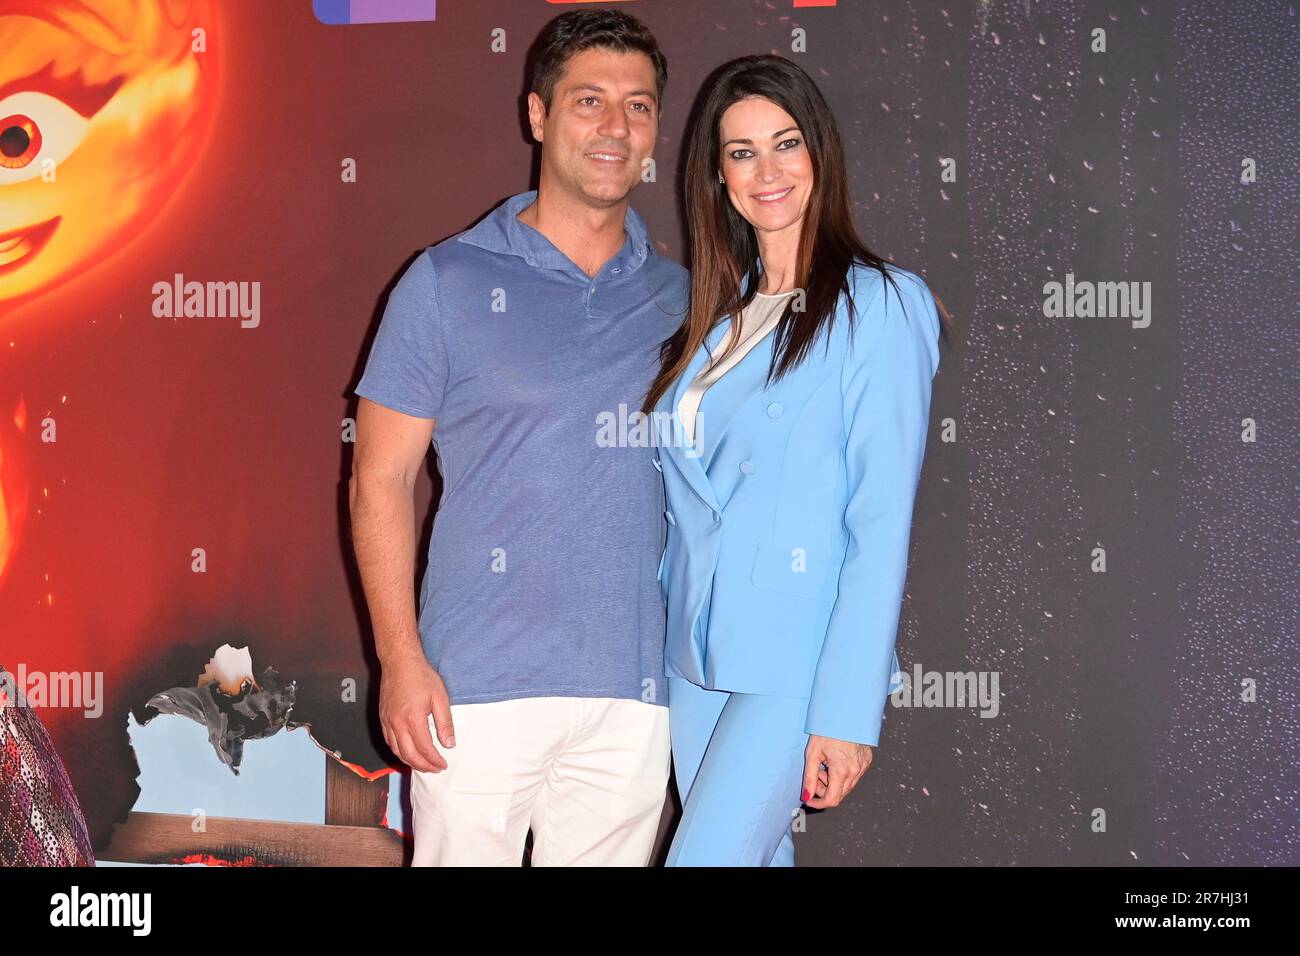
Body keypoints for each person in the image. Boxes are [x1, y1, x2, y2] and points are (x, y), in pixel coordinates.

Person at [349, 10, 688, 866]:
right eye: (589, 101)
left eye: (638, 106)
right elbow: (380, 480)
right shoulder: (445, 279)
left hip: (634, 692)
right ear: (538, 115)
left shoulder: (688, 298)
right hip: (472, 691)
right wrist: (400, 660)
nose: (616, 127)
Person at [643, 54, 952, 866]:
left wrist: (847, 712)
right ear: (718, 176)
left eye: (786, 144)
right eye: (742, 152)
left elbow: (879, 521)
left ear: (820, 152)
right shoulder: (715, 319)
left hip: (796, 661)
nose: (767, 171)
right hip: (695, 662)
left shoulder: (881, 303)